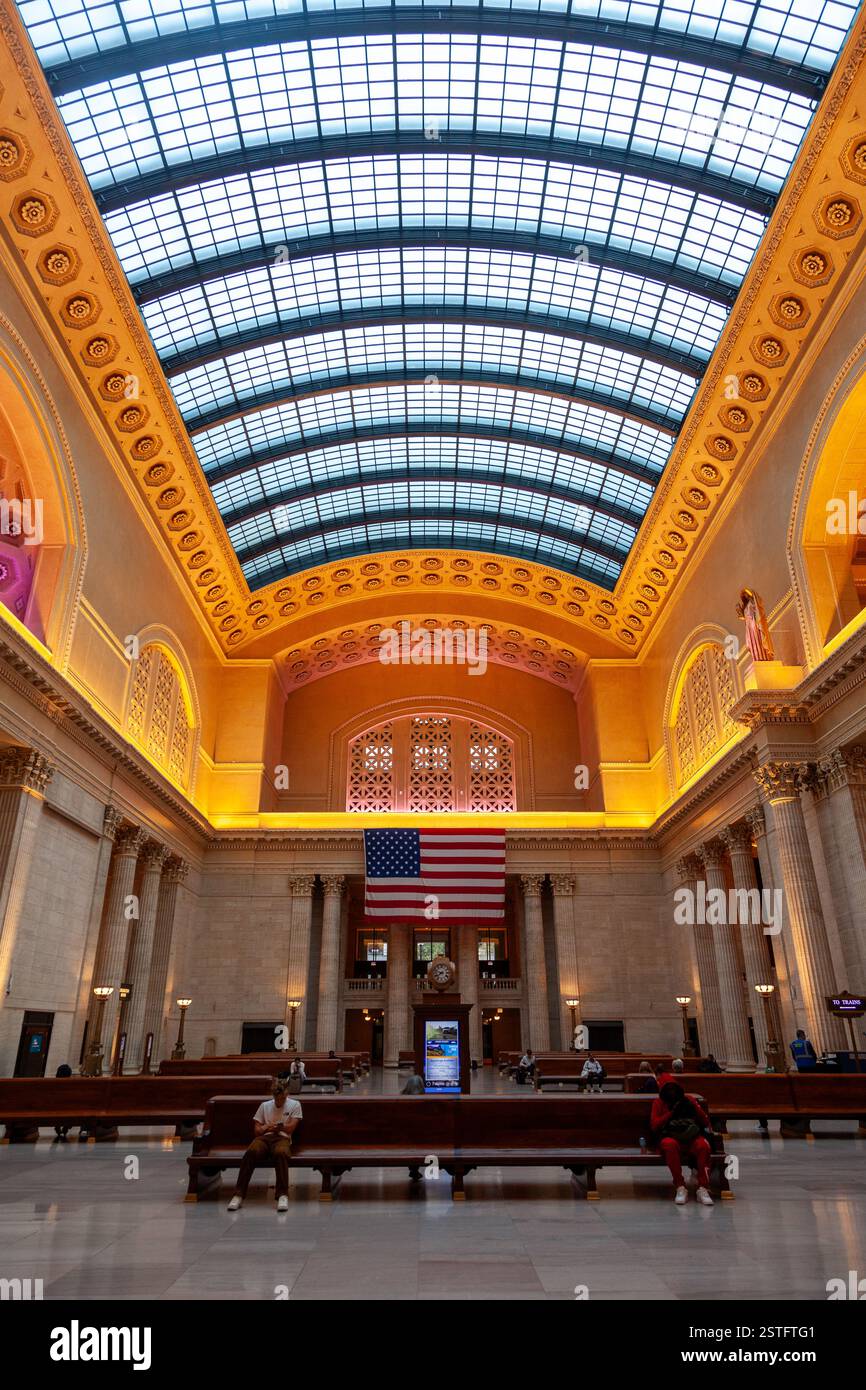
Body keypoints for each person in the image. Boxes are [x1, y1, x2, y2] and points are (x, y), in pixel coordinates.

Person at [227, 1078, 302, 1212]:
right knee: (251, 1152)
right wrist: (266, 1127)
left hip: (282, 1138)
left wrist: (280, 1127)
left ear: (287, 1094)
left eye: (284, 1097)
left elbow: (291, 1128)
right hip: (264, 1138)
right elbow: (257, 1131)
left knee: (281, 1153)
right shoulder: (264, 1106)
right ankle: (238, 1194)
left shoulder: (295, 1104)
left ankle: (282, 1195)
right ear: (274, 1096)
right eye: (279, 1098)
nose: (282, 1101)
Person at [651, 1080, 715, 1207]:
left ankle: (703, 1187)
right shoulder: (658, 1102)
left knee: (703, 1146)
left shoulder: (689, 1100)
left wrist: (693, 1107)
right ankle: (680, 1186)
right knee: (669, 1145)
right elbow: (654, 1125)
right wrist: (671, 1113)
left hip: (691, 1136)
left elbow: (704, 1120)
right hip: (670, 1136)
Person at [54, 1063, 73, 1141]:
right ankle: (66, 1127)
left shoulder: (53, 1085)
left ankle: (58, 1126)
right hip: (69, 1111)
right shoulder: (72, 1087)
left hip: (54, 1110)